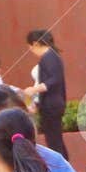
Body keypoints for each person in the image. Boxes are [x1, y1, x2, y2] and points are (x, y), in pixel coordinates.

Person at [23, 29, 68, 158]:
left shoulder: (49, 57)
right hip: (51, 104)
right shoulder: (51, 57)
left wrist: (34, 90)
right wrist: (37, 103)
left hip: (51, 106)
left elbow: (54, 80)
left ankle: (62, 169)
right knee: (55, 140)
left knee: (54, 141)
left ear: (35, 44)